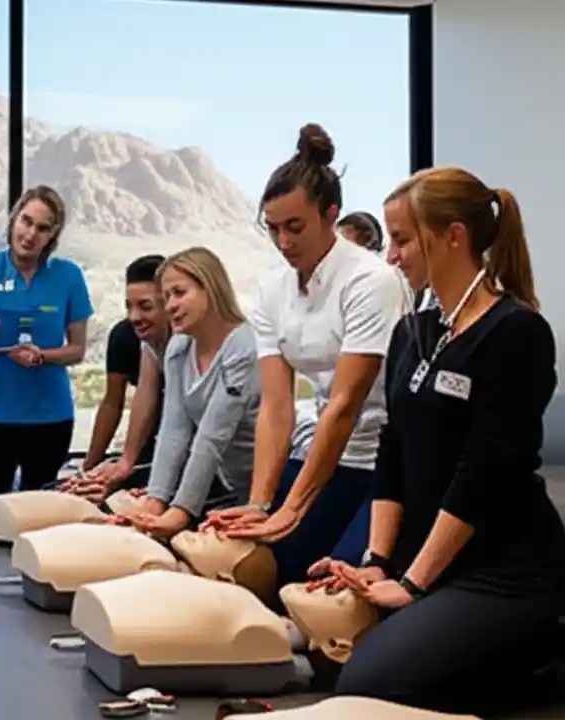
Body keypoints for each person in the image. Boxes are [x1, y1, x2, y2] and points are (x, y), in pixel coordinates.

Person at [311, 167, 565, 713]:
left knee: (366, 683)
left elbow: (484, 474)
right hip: (424, 554)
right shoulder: (413, 332)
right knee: (325, 653)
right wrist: (377, 559)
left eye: (403, 240)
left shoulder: (516, 333)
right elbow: (393, 452)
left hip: (502, 569)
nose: (392, 256)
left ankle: (540, 662)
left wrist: (413, 585)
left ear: (454, 236)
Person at [207, 124, 408, 586]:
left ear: (330, 215)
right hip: (325, 457)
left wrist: (292, 510)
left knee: (330, 598)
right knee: (243, 563)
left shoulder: (371, 281)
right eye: (273, 229)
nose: (283, 242)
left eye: (294, 227)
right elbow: (276, 408)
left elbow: (345, 405)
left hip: (385, 468)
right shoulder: (272, 290)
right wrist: (261, 505)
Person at [0, 185, 93, 504]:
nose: (31, 234)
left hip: (49, 417)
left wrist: (42, 356)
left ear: (53, 235)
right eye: (26, 221)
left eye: (43, 228)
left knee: (38, 513)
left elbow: (77, 350)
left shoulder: (69, 276)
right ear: (14, 220)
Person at [121, 248, 260, 538]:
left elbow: (213, 435)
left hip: (266, 483)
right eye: (166, 297)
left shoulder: (243, 347)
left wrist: (181, 510)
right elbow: (174, 430)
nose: (171, 305)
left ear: (210, 288)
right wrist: (155, 500)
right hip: (226, 479)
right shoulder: (179, 348)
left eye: (179, 293)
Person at [64, 255, 170, 503]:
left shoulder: (193, 343)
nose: (135, 317)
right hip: (152, 439)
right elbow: (115, 402)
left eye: (145, 306)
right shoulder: (129, 338)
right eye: (129, 307)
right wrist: (90, 467)